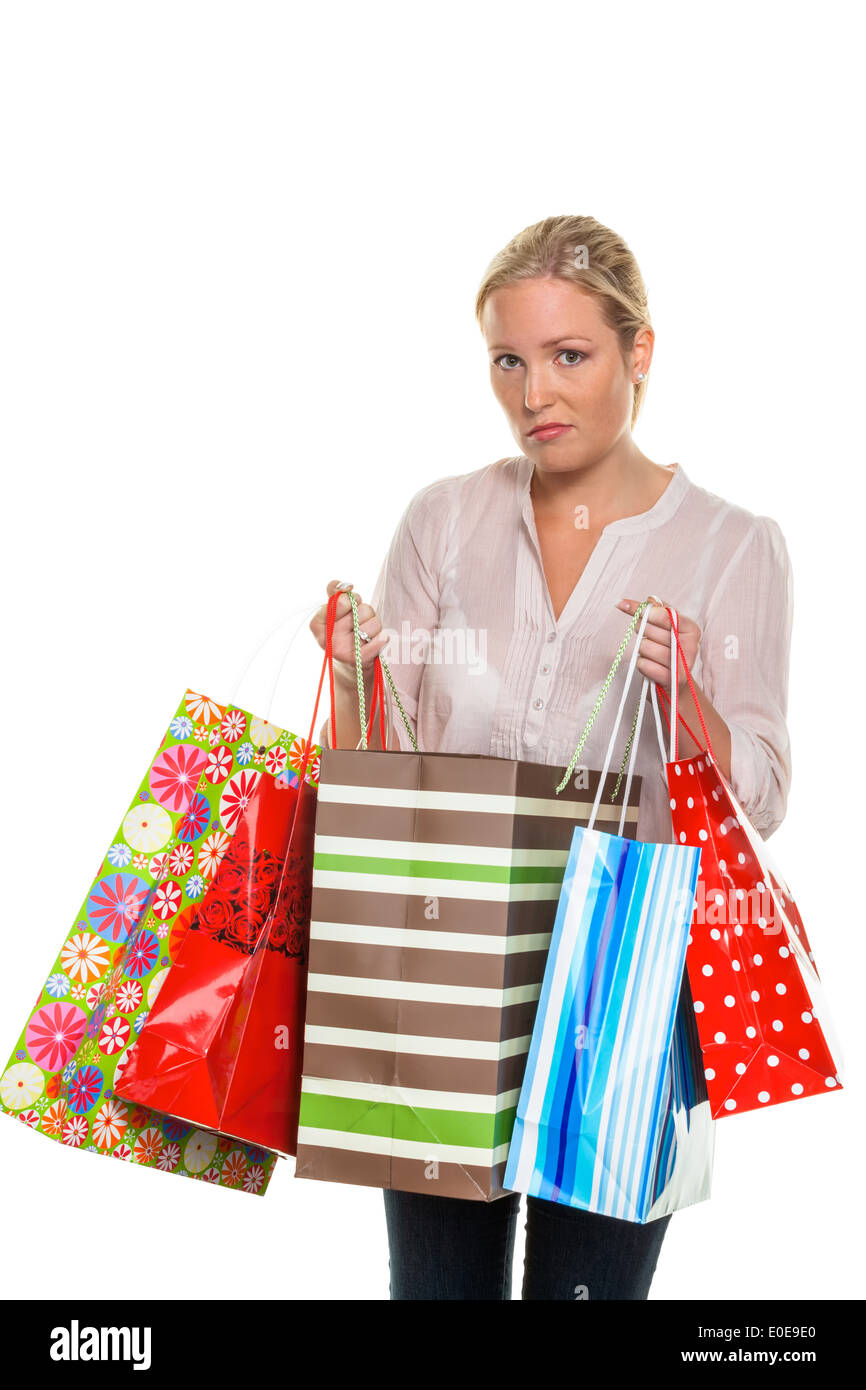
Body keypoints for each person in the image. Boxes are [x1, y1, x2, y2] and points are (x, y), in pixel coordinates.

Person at [308, 213, 793, 1300]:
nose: (535, 394)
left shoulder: (731, 543)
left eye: (569, 356)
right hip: (443, 959)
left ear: (638, 353)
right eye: (508, 361)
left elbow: (758, 788)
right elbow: (383, 784)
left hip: (622, 976)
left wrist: (684, 699)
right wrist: (351, 674)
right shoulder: (442, 519)